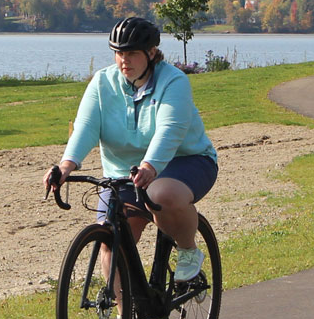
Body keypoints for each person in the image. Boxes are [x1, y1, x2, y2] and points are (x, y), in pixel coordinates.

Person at [45, 16, 220, 296]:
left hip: (186, 161)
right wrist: (66, 165)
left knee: (162, 195)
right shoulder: (103, 83)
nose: (124, 60)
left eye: (131, 53)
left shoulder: (173, 81)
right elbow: (86, 128)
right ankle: (124, 318)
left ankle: (188, 251)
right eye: (119, 53)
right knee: (110, 239)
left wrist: (151, 166)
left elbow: (170, 129)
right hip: (125, 173)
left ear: (151, 53)